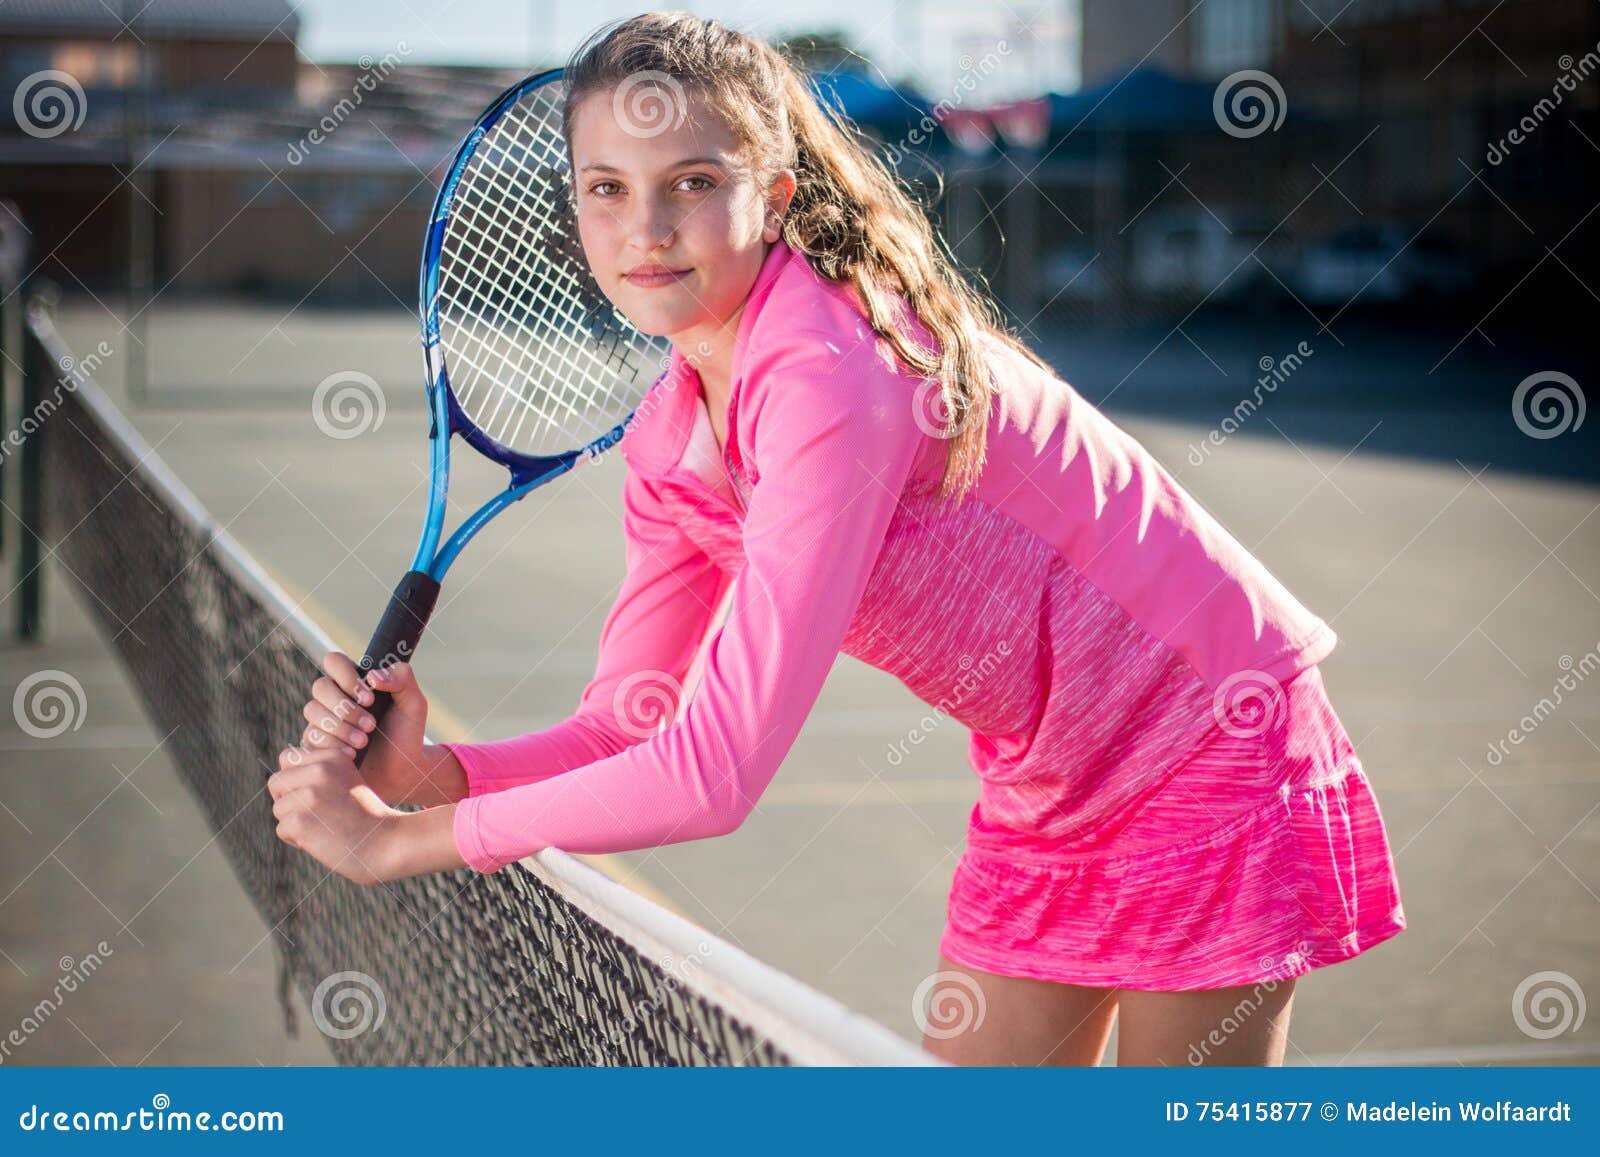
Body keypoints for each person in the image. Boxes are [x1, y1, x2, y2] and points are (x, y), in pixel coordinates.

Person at [270, 11, 1406, 1066]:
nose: (646, 229)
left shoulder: (825, 374)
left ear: (776, 190)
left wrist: (393, 843)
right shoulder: (672, 434)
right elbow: (635, 722)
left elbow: (709, 774)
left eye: (695, 184)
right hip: (1048, 779)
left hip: (1213, 725)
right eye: (606, 188)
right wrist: (437, 774)